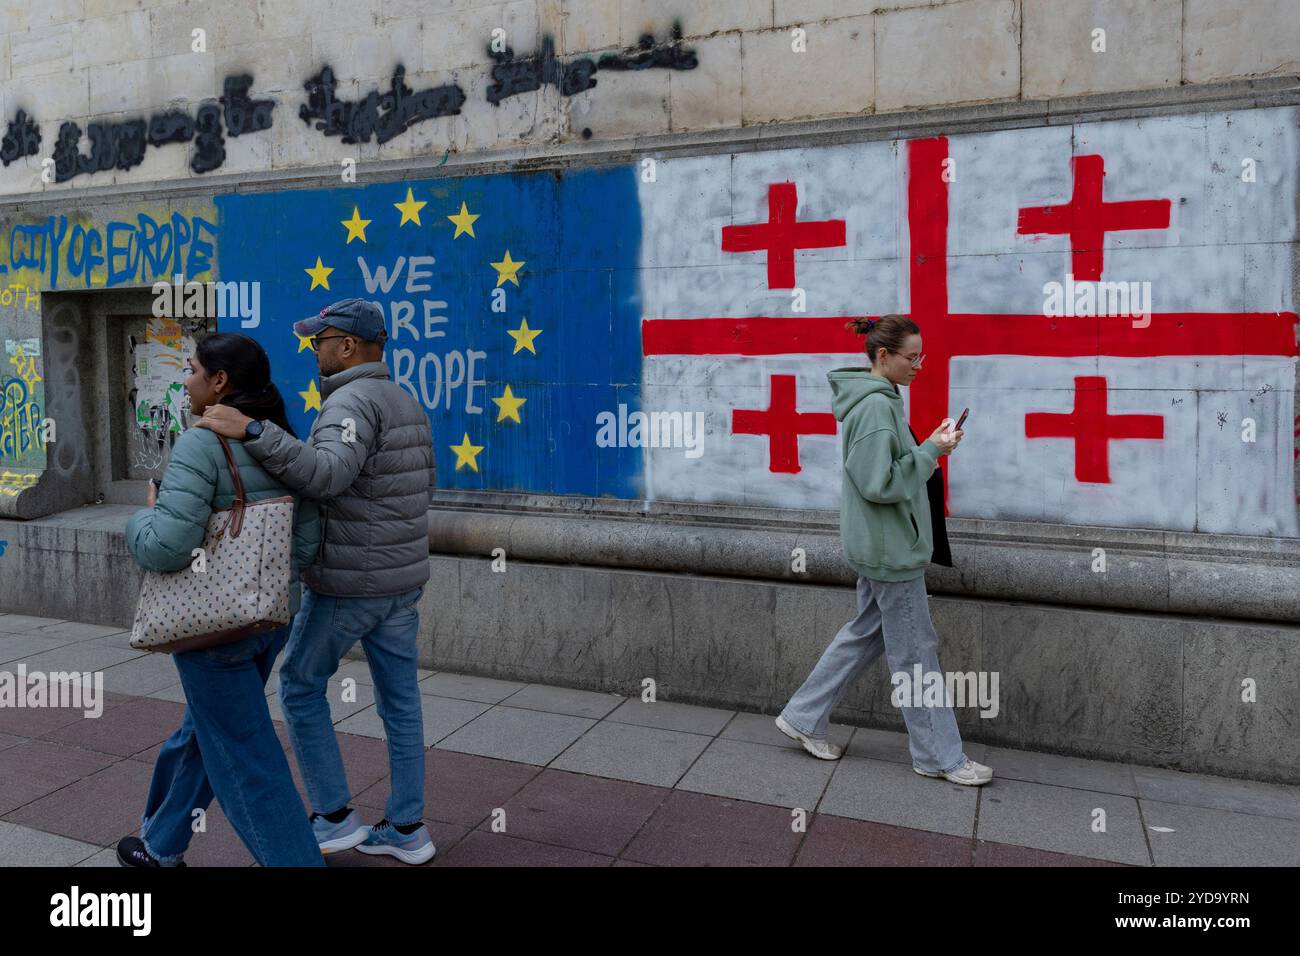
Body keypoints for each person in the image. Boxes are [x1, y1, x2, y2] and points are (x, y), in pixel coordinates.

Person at [197, 298, 438, 863]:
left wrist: (253, 429)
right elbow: (422, 485)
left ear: (348, 345)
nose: (313, 351)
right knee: (401, 704)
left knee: (301, 687)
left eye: (319, 341)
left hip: (351, 584)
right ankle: (408, 828)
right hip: (401, 583)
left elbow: (326, 476)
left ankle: (333, 817)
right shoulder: (405, 400)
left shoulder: (349, 402)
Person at [117, 332, 325, 867]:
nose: (184, 380)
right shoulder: (277, 437)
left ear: (219, 381)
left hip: (212, 631)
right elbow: (304, 540)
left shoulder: (201, 442)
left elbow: (167, 546)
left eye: (191, 370)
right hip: (268, 620)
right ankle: (161, 846)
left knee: (247, 762)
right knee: (203, 734)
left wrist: (140, 517)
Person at [775, 314, 994, 786]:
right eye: (911, 357)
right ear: (882, 356)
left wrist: (931, 448)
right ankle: (939, 757)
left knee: (867, 633)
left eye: (922, 356)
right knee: (916, 651)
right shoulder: (876, 408)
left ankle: (803, 715)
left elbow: (886, 471)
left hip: (880, 544)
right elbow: (879, 483)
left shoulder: (878, 400)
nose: (919, 365)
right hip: (891, 550)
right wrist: (932, 450)